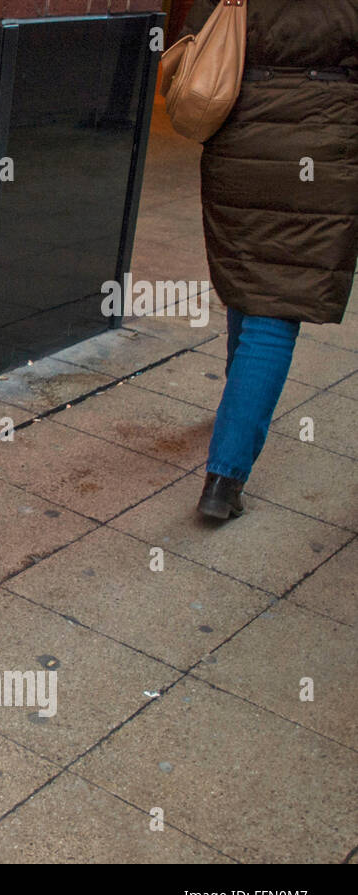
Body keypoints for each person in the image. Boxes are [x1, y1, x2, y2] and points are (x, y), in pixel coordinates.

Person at [184, 0, 358, 519]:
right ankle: (224, 477)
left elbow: (198, 33)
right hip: (327, 144)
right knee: (274, 307)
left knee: (251, 285)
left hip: (242, 129)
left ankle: (234, 417)